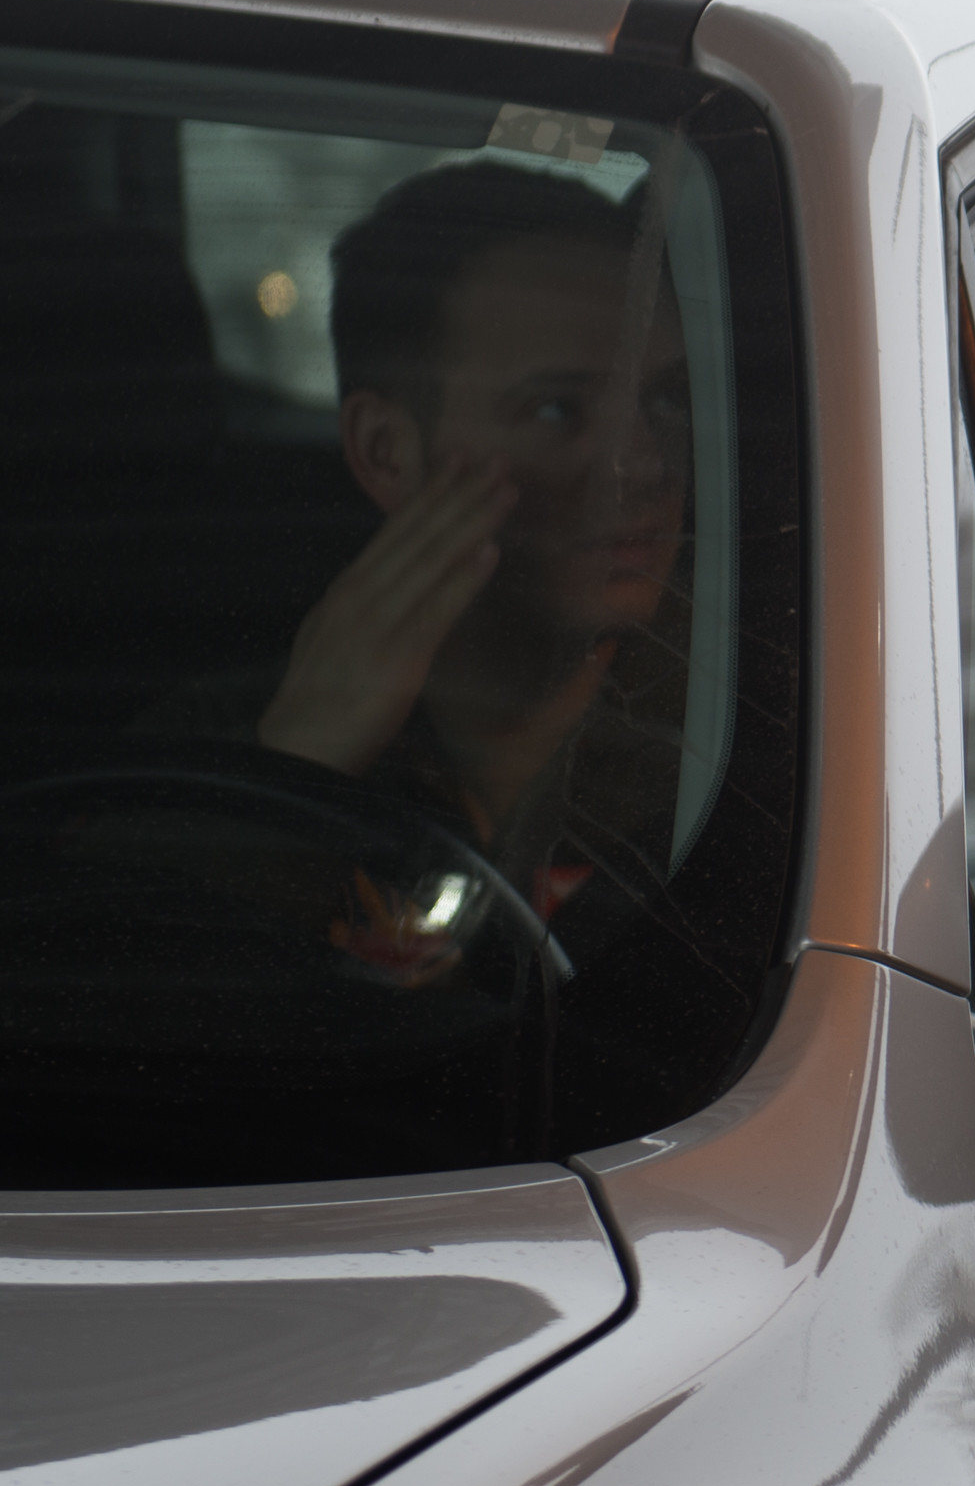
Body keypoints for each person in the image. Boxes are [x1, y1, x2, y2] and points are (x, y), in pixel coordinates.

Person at [252, 158, 693, 941]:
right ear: (387, 451)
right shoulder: (233, 734)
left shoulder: (748, 754)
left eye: (667, 398)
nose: (646, 463)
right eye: (557, 409)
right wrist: (299, 773)